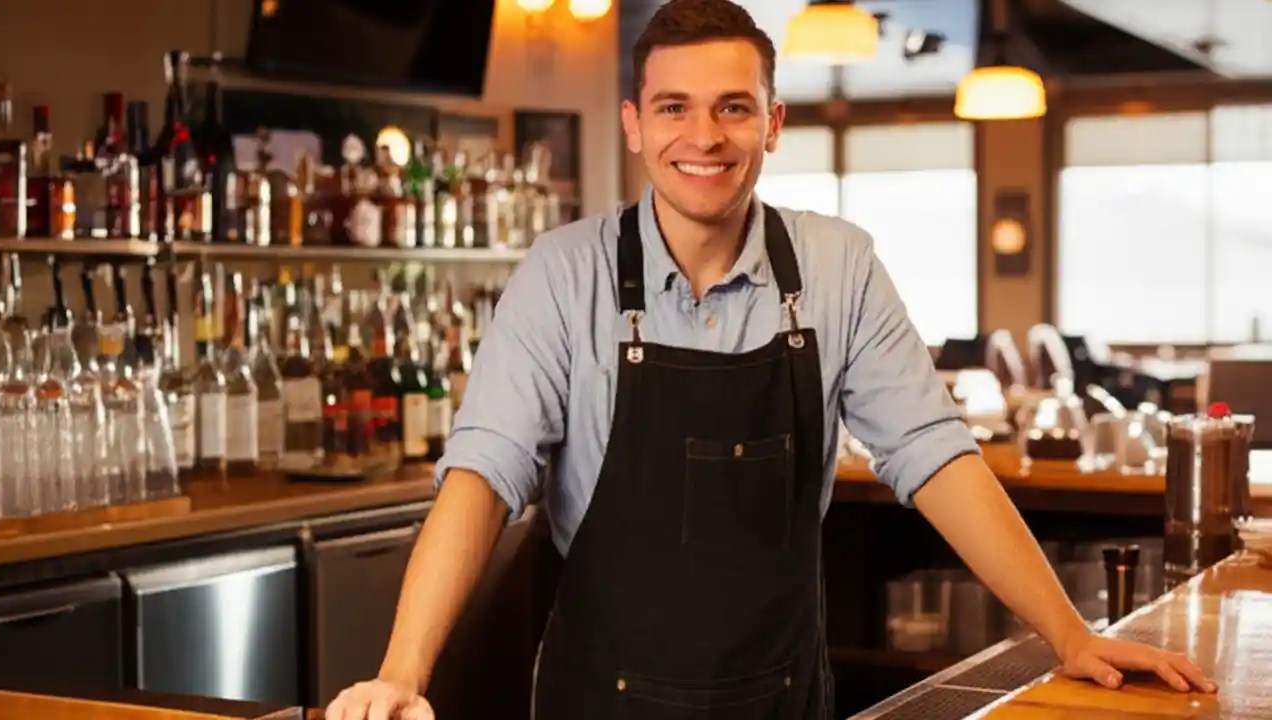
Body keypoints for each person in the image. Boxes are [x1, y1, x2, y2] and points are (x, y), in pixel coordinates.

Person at [326, 1, 1216, 718]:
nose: (703, 136)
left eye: (733, 107)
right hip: (602, 699)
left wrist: (1070, 636)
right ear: (634, 125)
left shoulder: (837, 266)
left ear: (773, 123)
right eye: (674, 107)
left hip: (783, 696)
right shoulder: (565, 275)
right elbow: (481, 474)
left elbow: (937, 458)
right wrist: (403, 672)